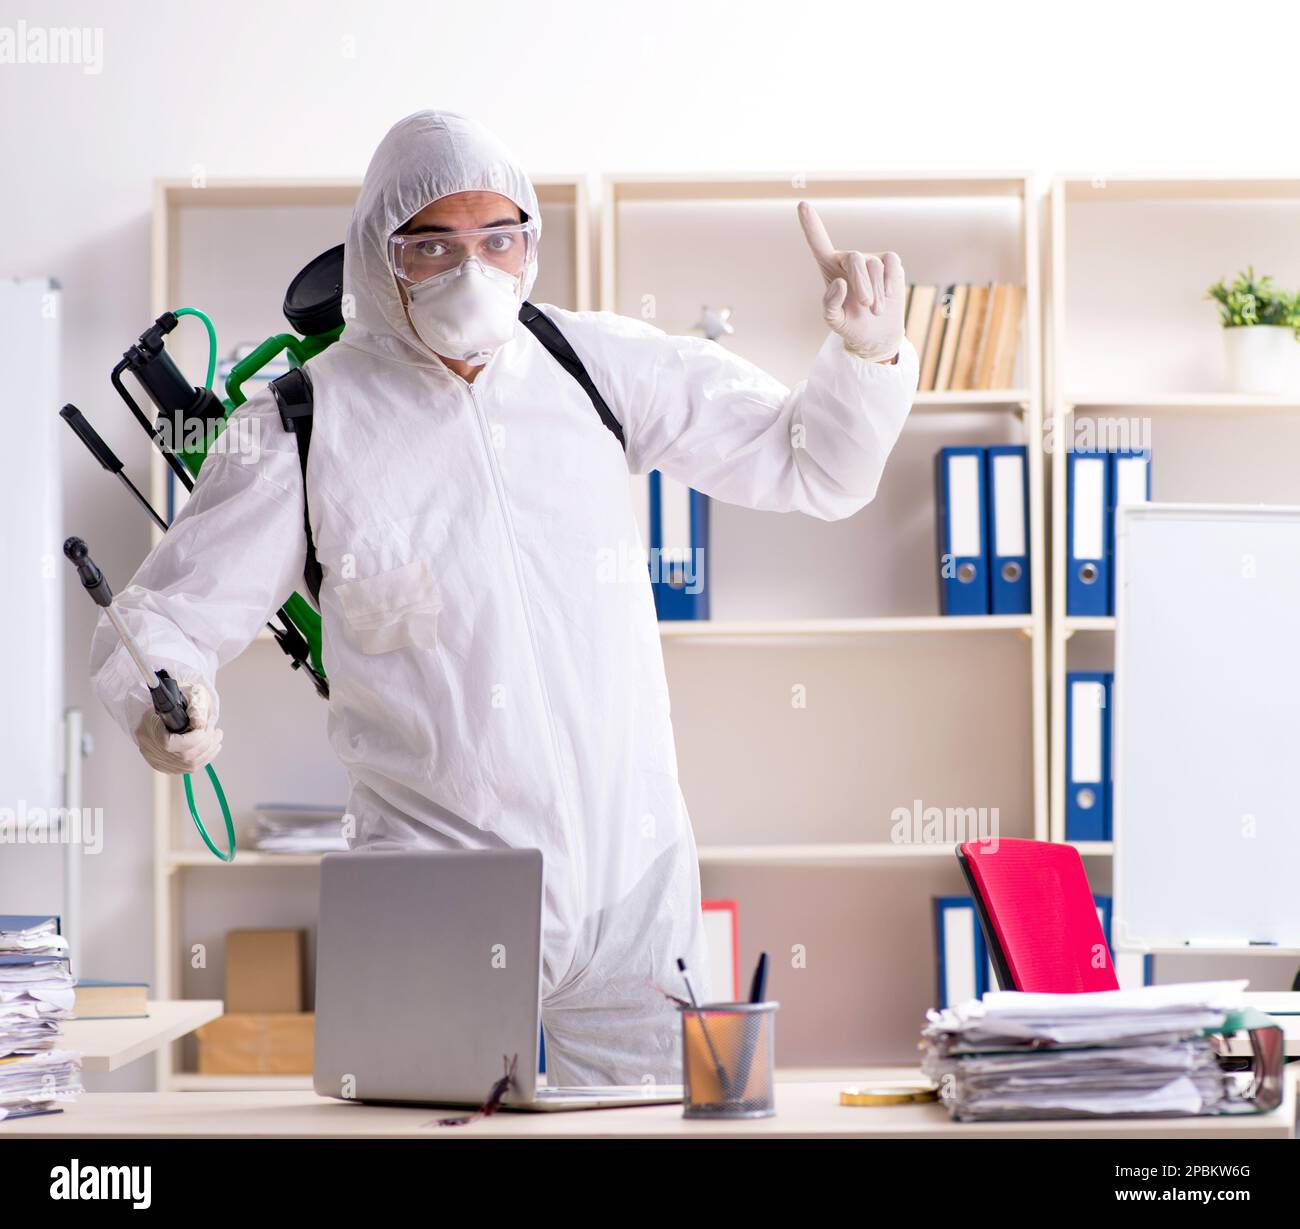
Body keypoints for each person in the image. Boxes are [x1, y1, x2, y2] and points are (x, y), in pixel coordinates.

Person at [91, 110, 919, 1086]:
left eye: (499, 239)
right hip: (434, 890)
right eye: (433, 245)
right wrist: (163, 694)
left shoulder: (594, 363)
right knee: (430, 1126)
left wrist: (866, 360)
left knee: (649, 1129)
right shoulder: (302, 423)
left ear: (532, 243)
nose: (472, 270)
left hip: (631, 879)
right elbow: (165, 615)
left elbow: (811, 466)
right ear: (378, 255)